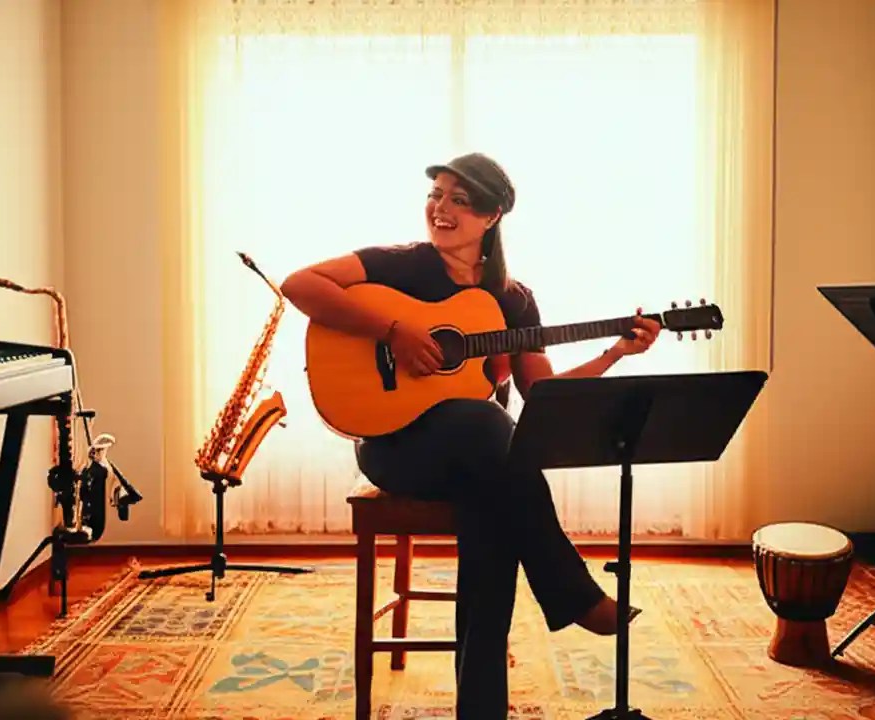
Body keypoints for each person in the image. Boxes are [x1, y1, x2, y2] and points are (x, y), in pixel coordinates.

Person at [279, 152, 662, 719]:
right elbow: (299, 284)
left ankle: (482, 711)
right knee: (491, 427)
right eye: (436, 194)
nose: (441, 208)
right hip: (394, 448)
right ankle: (573, 594)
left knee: (494, 497)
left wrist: (614, 353)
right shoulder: (400, 264)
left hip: (480, 458)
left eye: (459, 200)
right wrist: (394, 330)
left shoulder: (513, 299)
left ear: (492, 215)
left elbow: (542, 395)